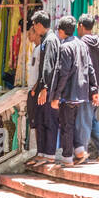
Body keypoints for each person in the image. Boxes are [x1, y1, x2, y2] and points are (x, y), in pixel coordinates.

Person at [49, 16, 99, 164]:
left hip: (69, 92)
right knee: (70, 122)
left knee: (66, 124)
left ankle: (67, 157)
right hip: (81, 92)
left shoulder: (65, 47)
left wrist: (56, 96)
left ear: (61, 30)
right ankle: (79, 150)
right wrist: (94, 90)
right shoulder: (81, 45)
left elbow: (63, 73)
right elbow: (90, 69)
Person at [76, 14, 99, 159]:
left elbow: (85, 68)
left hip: (88, 88)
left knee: (84, 121)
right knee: (91, 120)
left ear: (80, 26)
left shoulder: (82, 43)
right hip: (98, 87)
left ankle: (82, 152)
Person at [27, 10, 62, 159]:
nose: (34, 28)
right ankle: (41, 153)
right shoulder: (47, 39)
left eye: (34, 25)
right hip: (43, 87)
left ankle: (49, 155)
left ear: (40, 25)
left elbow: (49, 66)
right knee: (40, 121)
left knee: (49, 121)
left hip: (48, 89)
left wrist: (46, 88)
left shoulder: (50, 40)